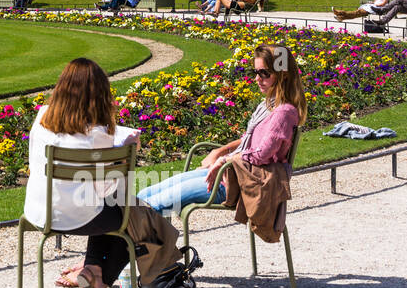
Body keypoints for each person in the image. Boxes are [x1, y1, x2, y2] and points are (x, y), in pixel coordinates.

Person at [23, 58, 177, 288]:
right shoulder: (98, 134)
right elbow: (107, 190)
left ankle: (93, 270)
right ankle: (99, 280)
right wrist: (125, 154)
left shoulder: (42, 117)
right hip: (79, 217)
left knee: (112, 211)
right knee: (126, 217)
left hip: (40, 212)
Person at [125, 43, 307, 221]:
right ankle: (145, 246)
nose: (258, 79)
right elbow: (250, 140)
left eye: (264, 73)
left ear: (282, 75)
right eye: (256, 72)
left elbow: (262, 154)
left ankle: (146, 249)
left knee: (154, 204)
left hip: (238, 183)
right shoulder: (269, 105)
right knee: (144, 195)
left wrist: (223, 160)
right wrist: (220, 151)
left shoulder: (283, 112)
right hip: (228, 173)